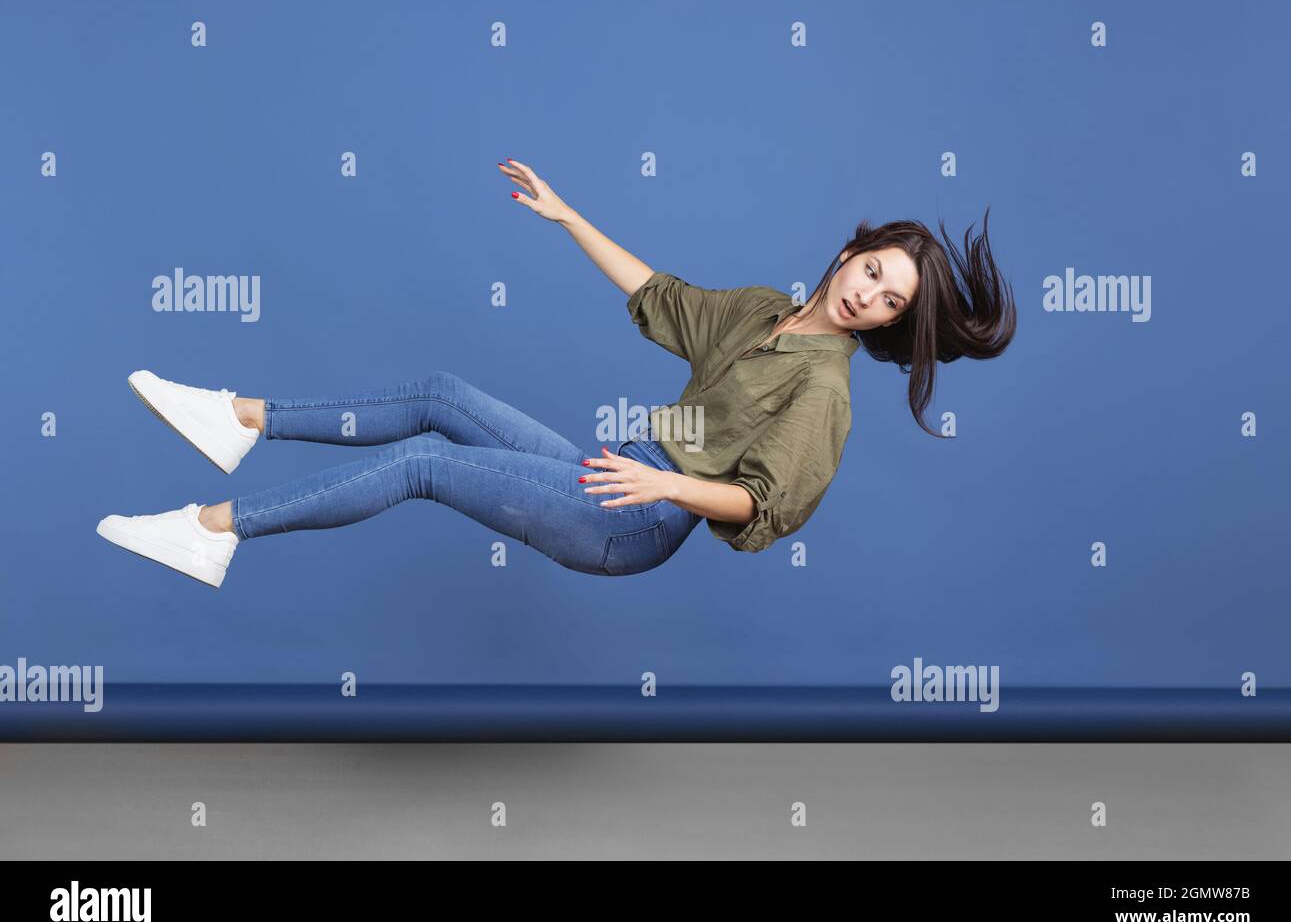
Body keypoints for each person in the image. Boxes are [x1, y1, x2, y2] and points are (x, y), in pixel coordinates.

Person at [96, 159, 1017, 588]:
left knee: (425, 460)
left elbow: (767, 507)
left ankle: (212, 528)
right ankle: (237, 418)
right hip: (612, 471)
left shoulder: (826, 389)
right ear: (852, 250)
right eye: (874, 272)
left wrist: (666, 481)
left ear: (893, 319)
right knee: (441, 395)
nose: (870, 297)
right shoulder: (759, 312)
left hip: (636, 518)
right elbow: (661, 294)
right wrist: (569, 216)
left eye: (892, 301)